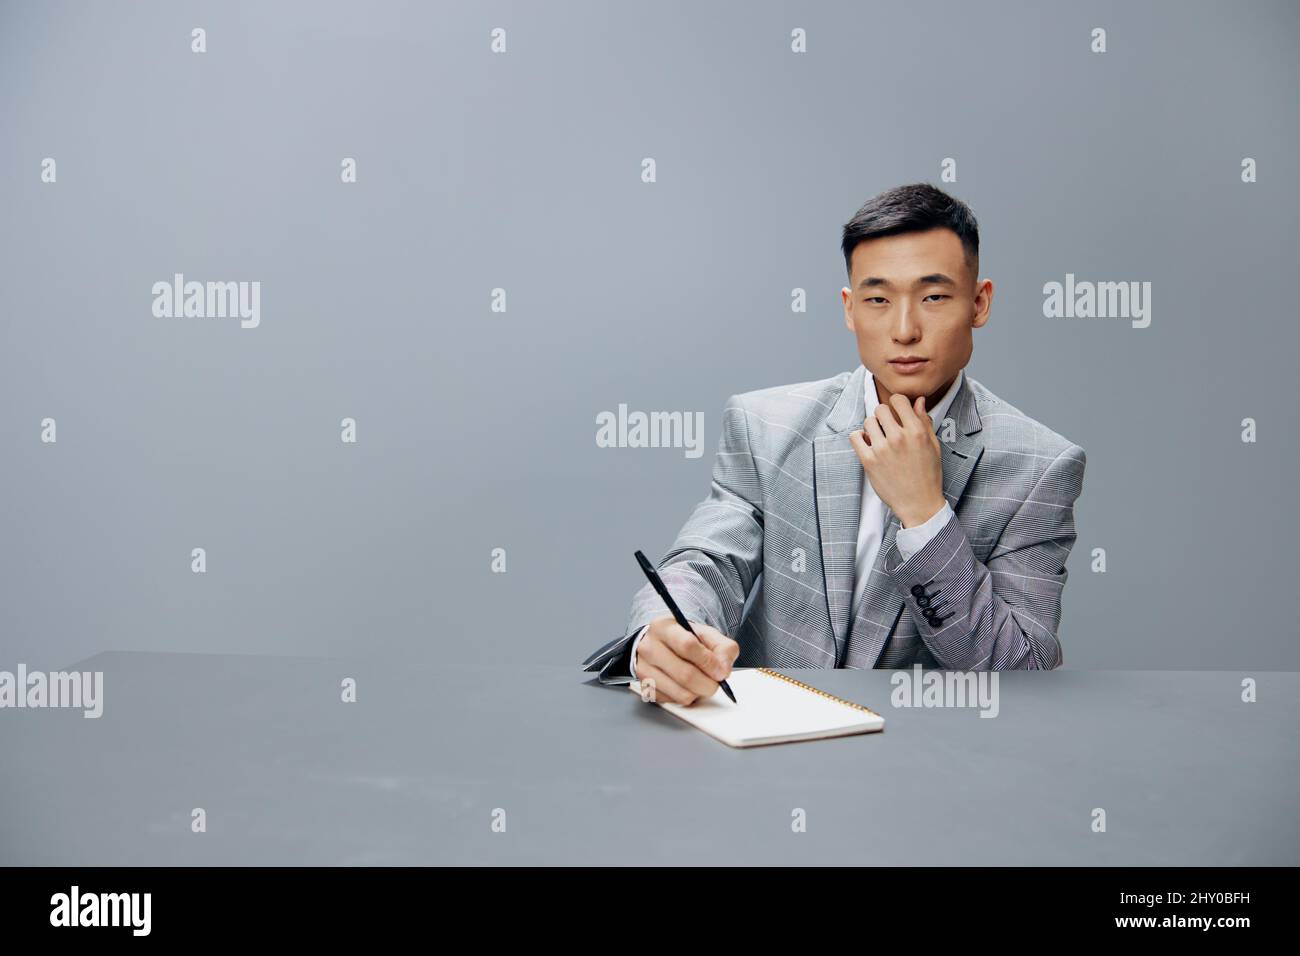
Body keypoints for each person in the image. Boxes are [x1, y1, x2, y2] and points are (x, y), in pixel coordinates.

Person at [583, 183, 1087, 704]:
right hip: (766, 751)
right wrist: (663, 633)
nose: (905, 329)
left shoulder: (1041, 466)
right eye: (877, 300)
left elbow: (1023, 669)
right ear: (850, 310)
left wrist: (926, 516)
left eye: (934, 297)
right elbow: (707, 562)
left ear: (979, 303)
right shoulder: (765, 426)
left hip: (933, 765)